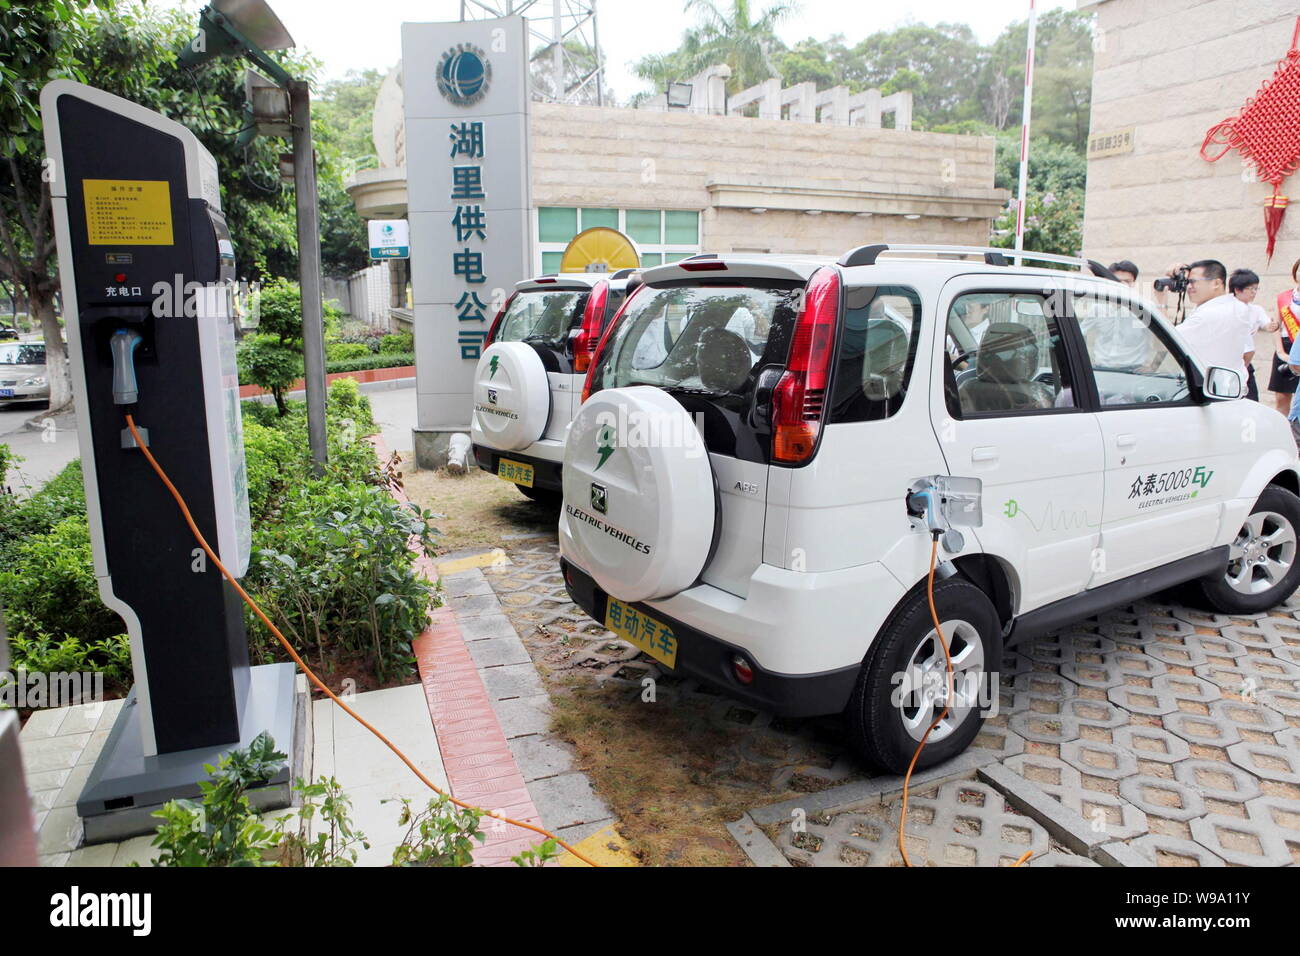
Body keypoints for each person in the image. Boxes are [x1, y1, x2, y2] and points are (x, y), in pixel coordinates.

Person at [1168, 260, 1254, 390]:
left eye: (1193, 282)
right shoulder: (1239, 308)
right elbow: (1249, 352)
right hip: (1231, 387)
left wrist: (1161, 302)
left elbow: (1164, 341)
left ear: (1216, 283)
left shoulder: (1207, 315)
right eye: (1187, 282)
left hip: (1209, 390)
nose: (1188, 287)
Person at [1229, 268, 1278, 402]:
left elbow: (1267, 324)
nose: (1254, 292)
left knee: (1251, 400)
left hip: (1245, 362)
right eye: (1250, 289)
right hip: (1227, 362)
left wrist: (1273, 326)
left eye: (1256, 289)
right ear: (1237, 289)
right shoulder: (1227, 309)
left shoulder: (1256, 309)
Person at [1272, 258, 1300, 416]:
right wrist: (1280, 351)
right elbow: (1277, 325)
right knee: (1282, 396)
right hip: (1286, 345)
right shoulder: (1285, 297)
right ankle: (1282, 433)